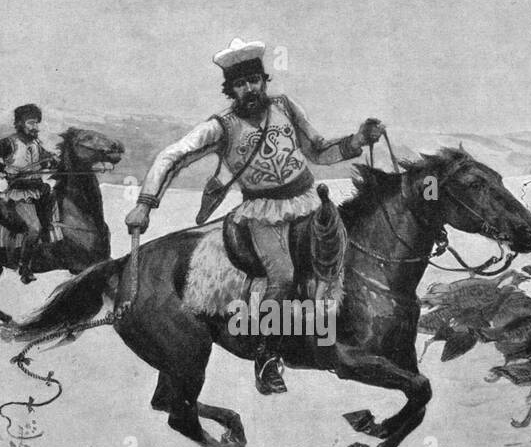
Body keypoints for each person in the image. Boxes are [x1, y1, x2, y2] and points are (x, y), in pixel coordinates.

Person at [125, 38, 383, 394]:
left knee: (342, 259)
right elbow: (173, 155)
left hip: (309, 202)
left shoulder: (286, 107)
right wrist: (145, 202)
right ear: (230, 89)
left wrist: (358, 140)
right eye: (239, 84)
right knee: (283, 275)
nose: (249, 89)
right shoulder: (222, 127)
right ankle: (267, 355)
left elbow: (320, 151)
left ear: (263, 80)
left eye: (253, 80)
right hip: (262, 215)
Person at [0, 104, 58, 284]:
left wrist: (52, 160)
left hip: (38, 192)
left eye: (37, 123)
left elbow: (46, 159)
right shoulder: (9, 143)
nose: (35, 127)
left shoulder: (36, 143)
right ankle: (24, 267)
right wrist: (5, 167)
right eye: (31, 123)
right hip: (18, 196)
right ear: (20, 123)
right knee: (34, 228)